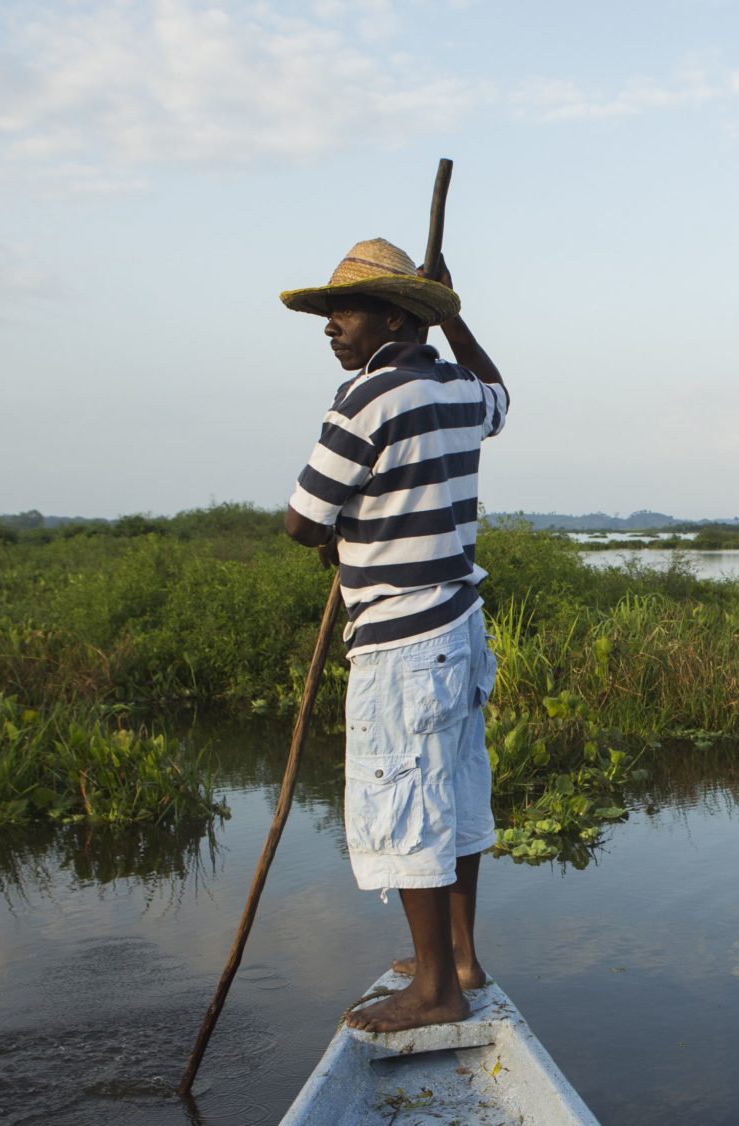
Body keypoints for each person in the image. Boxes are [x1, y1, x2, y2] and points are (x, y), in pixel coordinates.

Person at [280, 237, 510, 1033]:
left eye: (344, 311)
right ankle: (460, 960)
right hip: (459, 627)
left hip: (402, 638)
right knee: (453, 790)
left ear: (394, 317)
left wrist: (337, 535)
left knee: (404, 800)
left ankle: (436, 991)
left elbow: (302, 521)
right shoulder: (457, 387)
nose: (330, 327)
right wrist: (457, 323)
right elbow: (501, 394)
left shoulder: (365, 397)